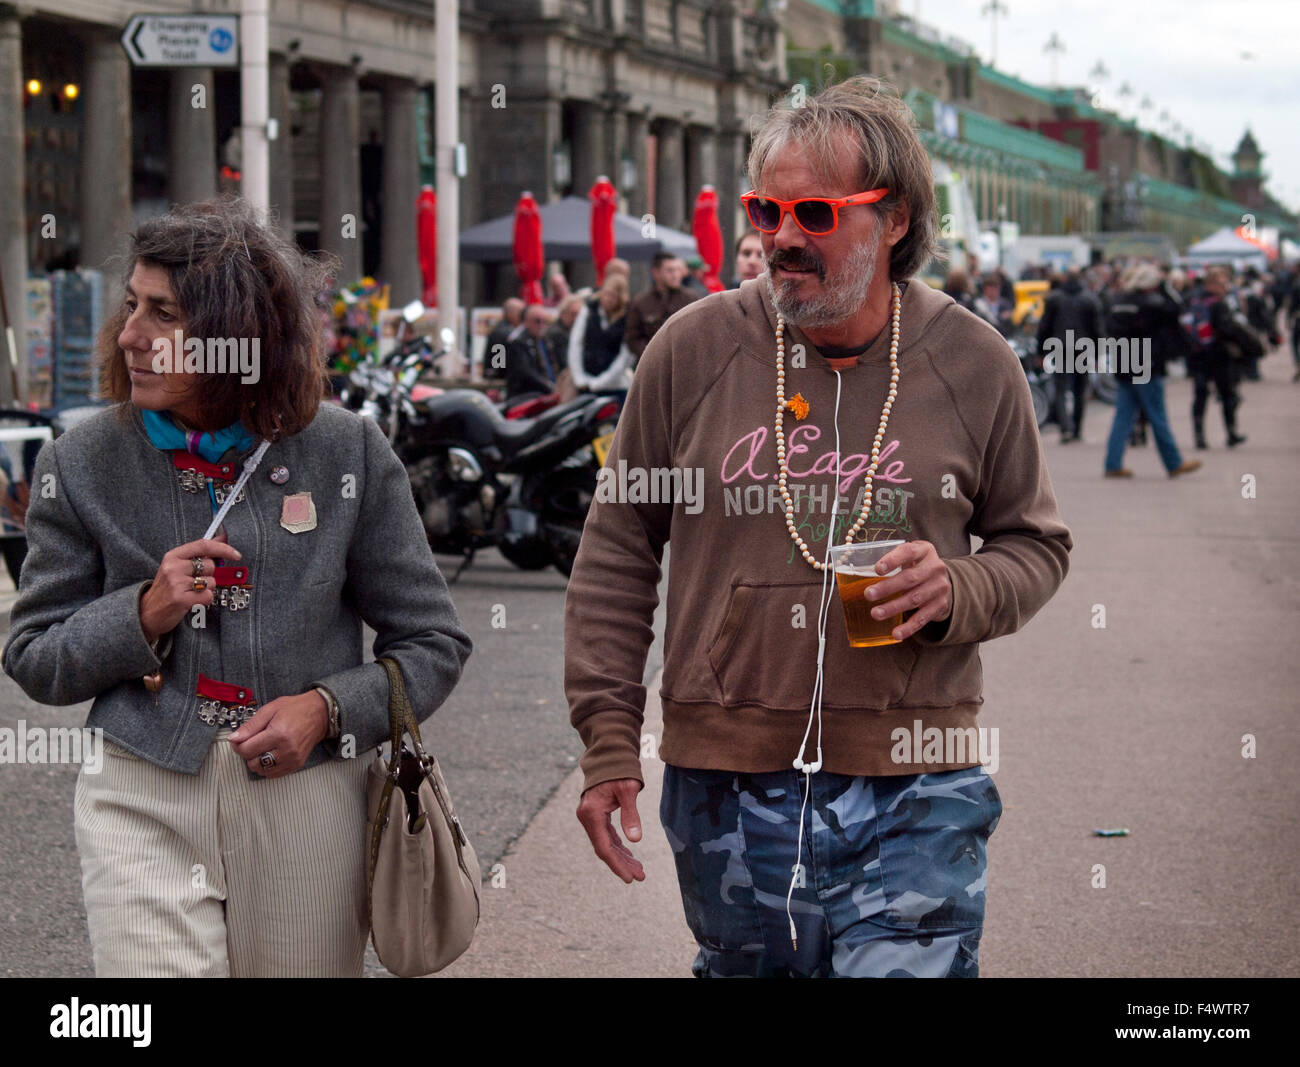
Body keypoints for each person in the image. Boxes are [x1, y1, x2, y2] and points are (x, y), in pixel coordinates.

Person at [564, 75, 1071, 978]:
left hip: (918, 773)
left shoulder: (975, 360)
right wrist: (610, 736)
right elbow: (616, 550)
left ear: (898, 218)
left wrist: (960, 586)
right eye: (767, 209)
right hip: (727, 777)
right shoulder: (690, 349)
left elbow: (1036, 544)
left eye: (816, 212)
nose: (783, 237)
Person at [1, 198, 473, 977]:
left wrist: (326, 709)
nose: (131, 336)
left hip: (307, 799)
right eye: (131, 307)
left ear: (235, 339)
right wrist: (141, 613)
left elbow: (433, 643)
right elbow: (33, 654)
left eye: (165, 314)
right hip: (140, 791)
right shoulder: (80, 462)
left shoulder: (346, 451)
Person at [1102, 263, 1202, 479]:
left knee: (1123, 416)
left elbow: (1109, 329)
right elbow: (1178, 308)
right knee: (1157, 416)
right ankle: (1173, 463)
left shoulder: (1118, 301)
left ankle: (1112, 463)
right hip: (1148, 365)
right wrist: (1167, 287)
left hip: (1124, 363)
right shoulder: (1153, 304)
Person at [1185, 265, 1259, 448]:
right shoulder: (1219, 303)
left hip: (1198, 354)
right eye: (1223, 282)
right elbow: (1228, 328)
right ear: (1213, 283)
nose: (1226, 286)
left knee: (1200, 396)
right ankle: (1231, 432)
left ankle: (1199, 435)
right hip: (1219, 355)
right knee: (1227, 395)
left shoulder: (1193, 301)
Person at [1037, 267, 1101, 444]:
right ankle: (1077, 429)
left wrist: (1041, 351)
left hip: (1060, 346)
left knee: (1060, 389)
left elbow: (1044, 326)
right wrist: (1098, 354)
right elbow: (1097, 329)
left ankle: (1065, 427)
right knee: (1080, 390)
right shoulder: (1090, 299)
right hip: (1083, 348)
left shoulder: (1054, 299)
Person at [568, 273, 633, 402]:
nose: (608, 299)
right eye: (606, 294)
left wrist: (600, 382)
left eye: (613, 296)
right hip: (586, 380)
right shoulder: (589, 310)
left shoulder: (627, 316)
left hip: (616, 384)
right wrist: (580, 378)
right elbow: (576, 344)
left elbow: (626, 354)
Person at [624, 252, 699, 363]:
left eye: (678, 270)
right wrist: (653, 355)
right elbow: (632, 338)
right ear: (656, 273)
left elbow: (699, 333)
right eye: (670, 270)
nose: (676, 275)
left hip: (684, 365)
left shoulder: (691, 299)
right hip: (651, 366)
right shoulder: (641, 302)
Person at [503, 303, 561, 399]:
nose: (542, 325)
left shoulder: (545, 341)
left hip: (546, 393)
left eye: (545, 321)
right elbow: (526, 371)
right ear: (525, 322)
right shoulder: (518, 341)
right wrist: (549, 386)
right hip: (526, 395)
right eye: (537, 321)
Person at [485, 297, 524, 365]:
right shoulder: (500, 333)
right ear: (510, 313)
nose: (523, 316)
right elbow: (498, 363)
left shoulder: (515, 329)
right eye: (521, 312)